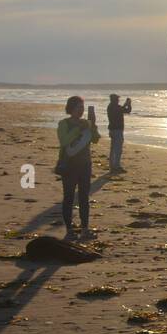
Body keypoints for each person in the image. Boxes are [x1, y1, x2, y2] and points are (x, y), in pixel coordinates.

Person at [57, 96, 101, 240]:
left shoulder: (86, 123)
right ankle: (69, 230)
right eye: (78, 107)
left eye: (82, 108)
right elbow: (64, 141)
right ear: (70, 109)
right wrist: (77, 129)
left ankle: (84, 229)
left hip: (85, 165)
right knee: (69, 198)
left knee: (84, 198)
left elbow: (95, 139)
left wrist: (93, 126)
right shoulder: (64, 124)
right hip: (69, 166)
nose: (81, 110)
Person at [106, 94, 132, 173]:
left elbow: (124, 110)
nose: (118, 101)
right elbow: (126, 110)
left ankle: (113, 166)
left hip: (113, 129)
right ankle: (116, 166)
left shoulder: (111, 107)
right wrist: (128, 104)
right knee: (117, 149)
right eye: (117, 99)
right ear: (114, 100)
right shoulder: (115, 107)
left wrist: (127, 104)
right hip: (117, 130)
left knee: (114, 148)